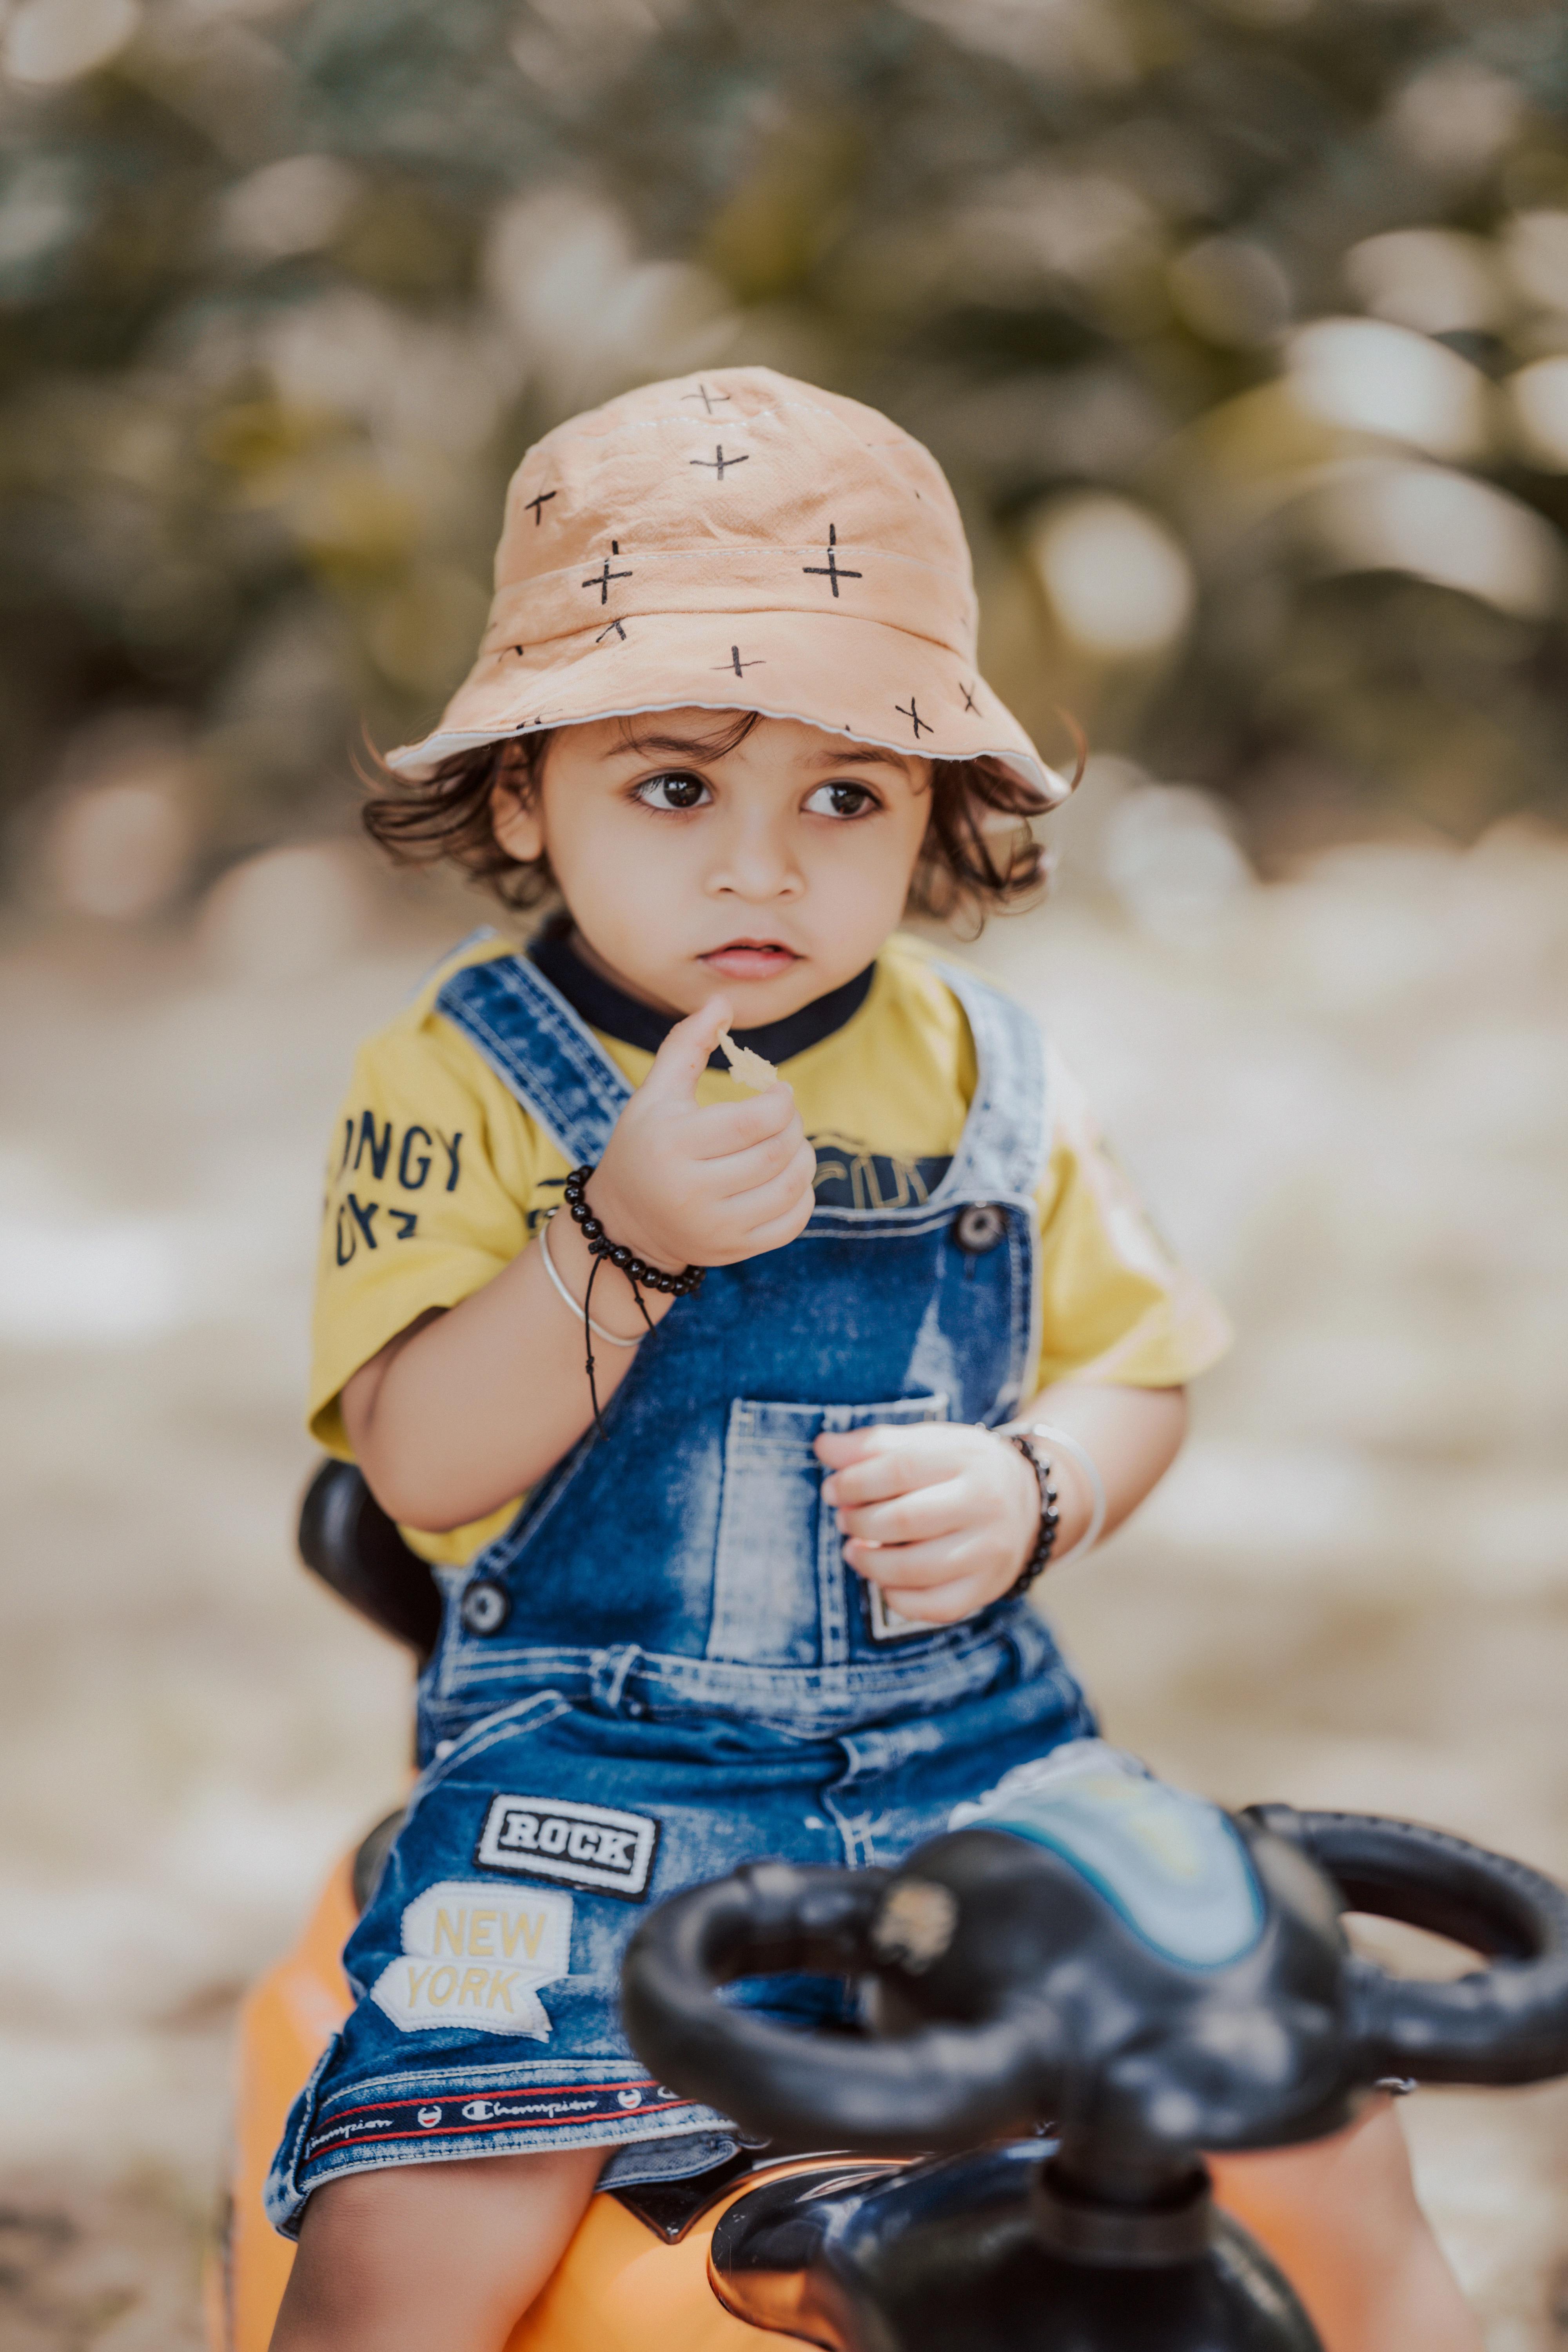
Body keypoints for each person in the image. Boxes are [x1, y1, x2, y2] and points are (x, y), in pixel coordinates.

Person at [265, 368, 1477, 2352]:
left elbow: (1140, 1369)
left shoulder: (991, 1075)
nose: (764, 869)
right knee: (429, 2196)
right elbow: (414, 1462)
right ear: (520, 793)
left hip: (977, 1748)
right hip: (597, 1776)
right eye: (676, 787)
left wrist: (1043, 1485)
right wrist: (620, 1237)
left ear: (931, 813)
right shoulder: (465, 1076)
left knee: (1309, 2103)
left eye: (844, 795)